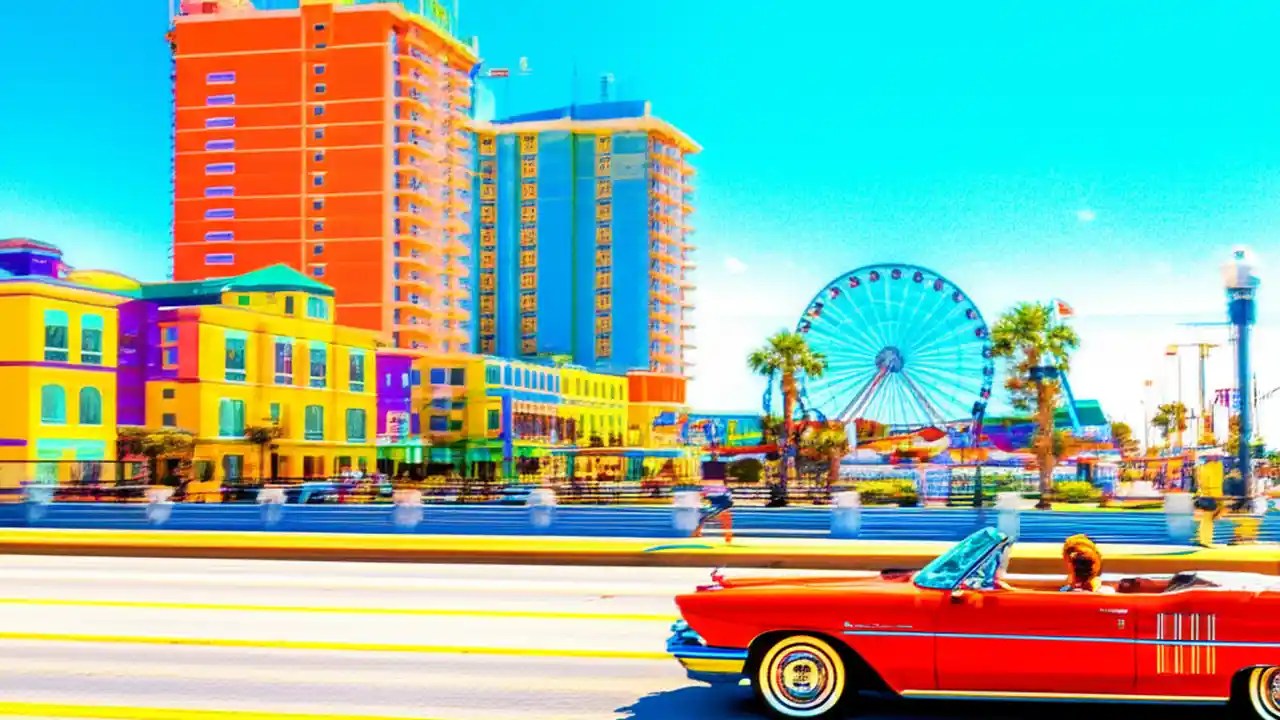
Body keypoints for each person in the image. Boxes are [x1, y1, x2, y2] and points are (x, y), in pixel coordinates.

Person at [692, 479, 734, 543]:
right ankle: (697, 531)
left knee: (706, 514)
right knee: (705, 514)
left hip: (717, 498)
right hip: (715, 498)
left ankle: (728, 534)